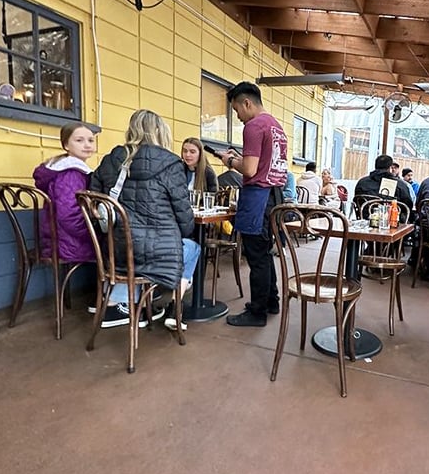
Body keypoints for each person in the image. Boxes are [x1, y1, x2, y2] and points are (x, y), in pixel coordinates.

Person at [91, 110, 198, 330]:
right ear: (160, 133)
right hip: (154, 252)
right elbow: (185, 219)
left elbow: (94, 199)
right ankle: (173, 308)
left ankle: (118, 302)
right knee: (192, 247)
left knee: (130, 247)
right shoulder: (170, 164)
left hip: (114, 249)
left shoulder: (110, 160)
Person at [217, 82, 288, 327]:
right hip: (275, 196)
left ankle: (257, 312)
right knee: (265, 254)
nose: (237, 117)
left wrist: (230, 161)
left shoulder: (254, 125)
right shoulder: (276, 126)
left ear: (247, 103)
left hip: (258, 197)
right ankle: (272, 301)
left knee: (255, 257)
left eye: (237, 109)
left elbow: (249, 169)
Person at [33, 122, 97, 263]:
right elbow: (69, 216)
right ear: (66, 145)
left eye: (91, 140)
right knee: (115, 249)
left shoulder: (65, 169)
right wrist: (94, 234)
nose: (87, 145)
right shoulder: (71, 174)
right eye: (79, 140)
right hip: (67, 243)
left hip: (59, 239)